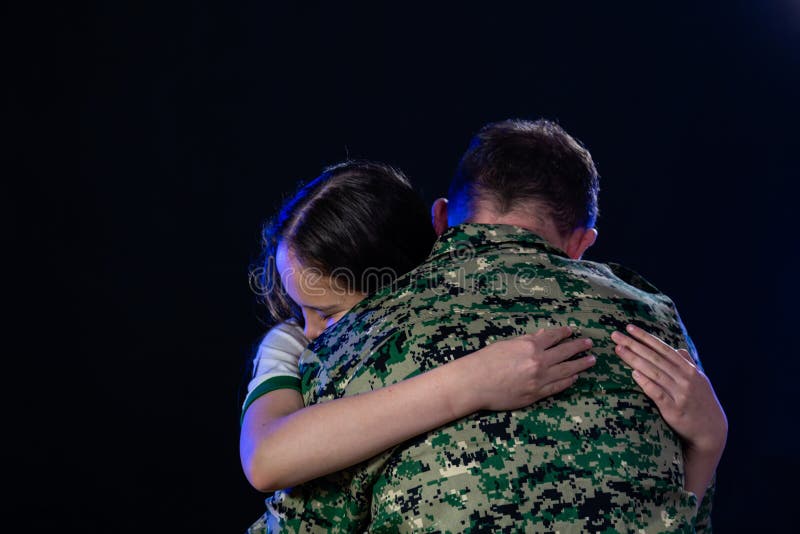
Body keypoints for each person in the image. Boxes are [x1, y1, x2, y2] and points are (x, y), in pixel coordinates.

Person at [264, 119, 727, 532]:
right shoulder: (651, 320)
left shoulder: (359, 335)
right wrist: (710, 442)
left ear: (441, 219)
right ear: (582, 244)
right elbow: (674, 511)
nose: (311, 330)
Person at [240, 161, 598, 530]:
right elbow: (265, 459)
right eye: (301, 309)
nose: (310, 332)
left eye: (326, 313)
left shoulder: (431, 323)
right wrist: (472, 382)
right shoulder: (297, 343)